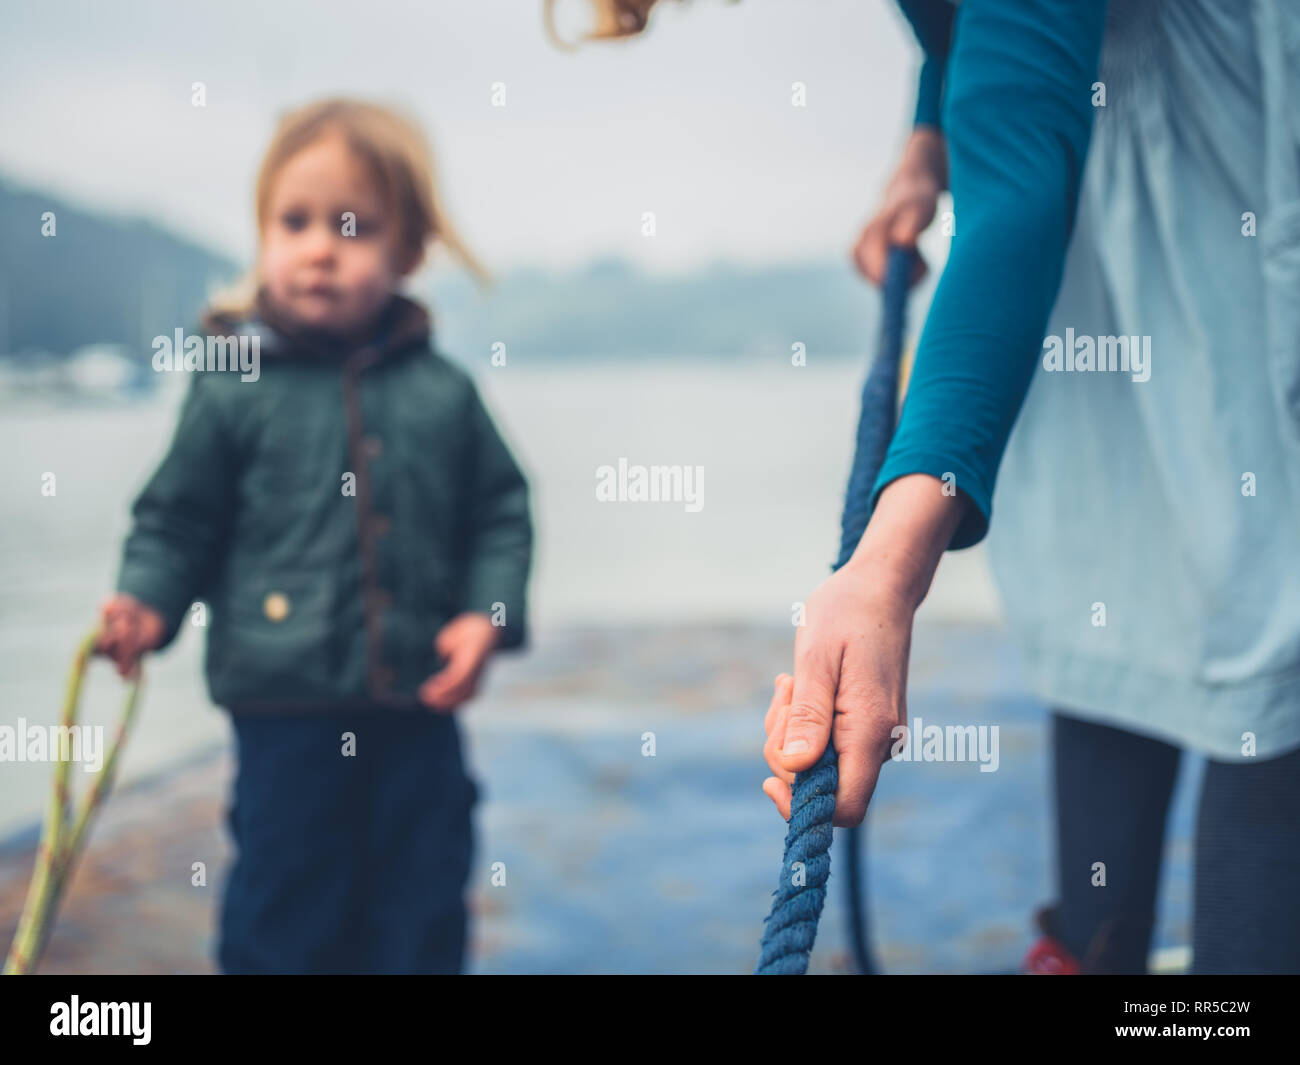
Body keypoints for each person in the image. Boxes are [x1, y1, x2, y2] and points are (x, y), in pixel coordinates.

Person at [760, 0, 1300, 974]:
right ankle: (1093, 949)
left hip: (1219, 195)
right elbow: (967, 28)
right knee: (1099, 605)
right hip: (1087, 260)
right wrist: (932, 124)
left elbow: (1015, 199)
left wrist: (884, 571)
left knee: (1265, 634)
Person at [94, 98, 534, 974]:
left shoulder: (443, 392)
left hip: (418, 711)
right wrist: (147, 599)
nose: (319, 247)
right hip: (283, 716)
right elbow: (179, 515)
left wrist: (486, 617)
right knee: (286, 907)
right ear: (262, 235)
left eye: (352, 226)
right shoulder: (232, 381)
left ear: (408, 252)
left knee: (421, 906)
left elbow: (500, 512)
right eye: (293, 222)